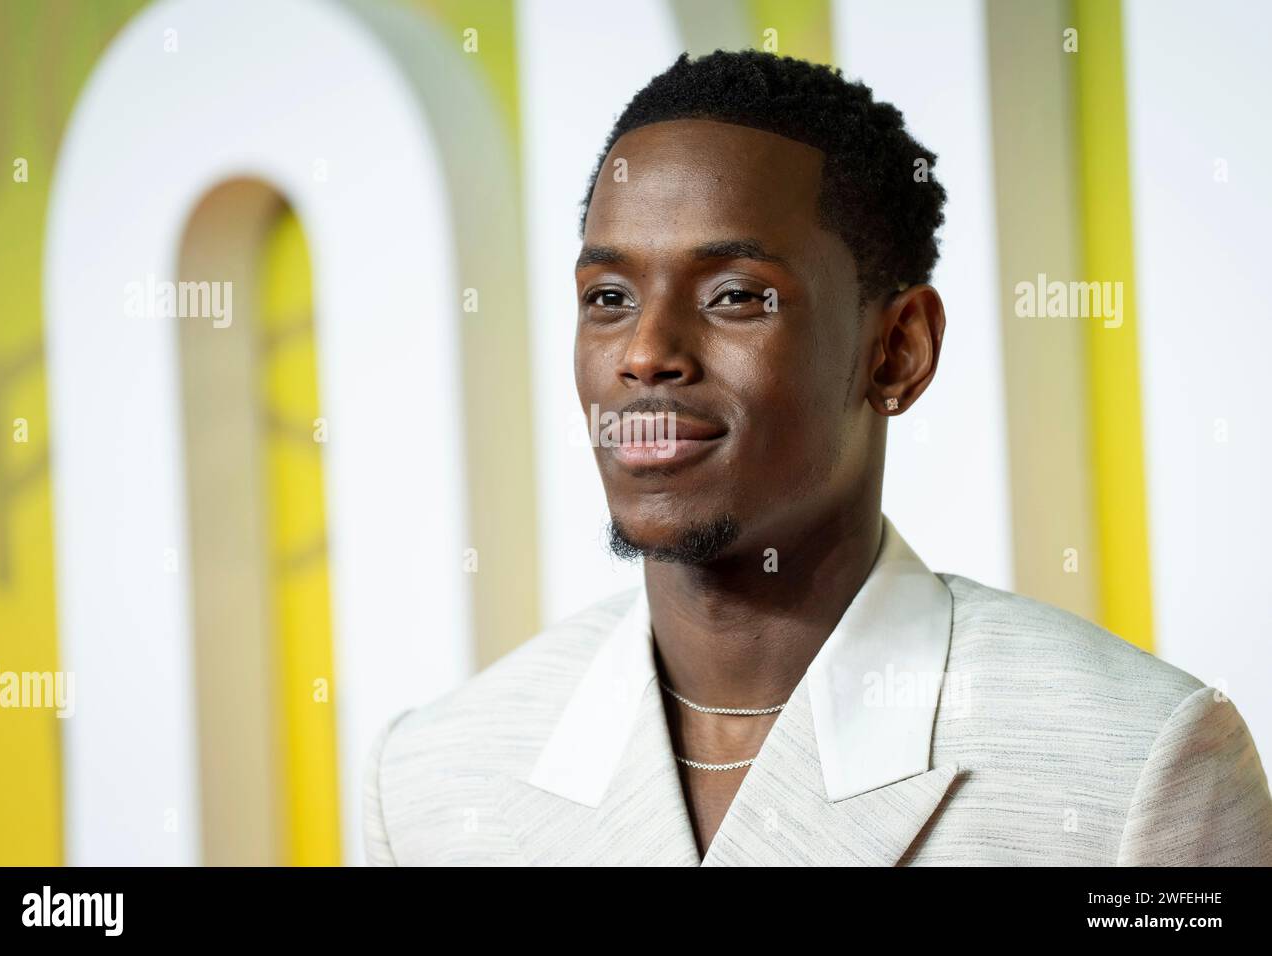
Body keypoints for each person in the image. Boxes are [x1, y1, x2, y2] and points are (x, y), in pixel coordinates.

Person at [364, 49, 1272, 866]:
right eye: (608, 294)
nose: (645, 351)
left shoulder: (1138, 770)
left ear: (898, 352)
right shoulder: (430, 784)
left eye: (734, 295)